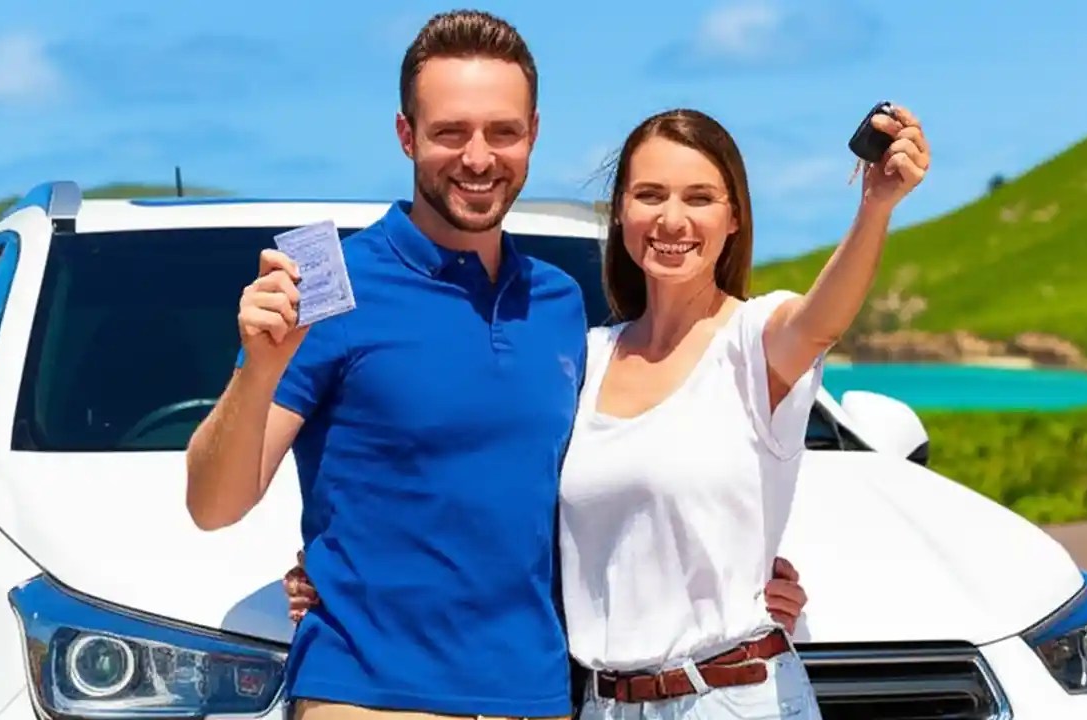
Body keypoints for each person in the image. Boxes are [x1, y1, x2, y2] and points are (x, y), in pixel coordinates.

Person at [185, 9, 810, 720]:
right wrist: (258, 369)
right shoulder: (326, 282)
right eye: (451, 132)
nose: (478, 158)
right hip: (371, 696)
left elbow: (621, 472)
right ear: (406, 135)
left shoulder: (559, 303)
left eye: (502, 132)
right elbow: (213, 505)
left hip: (539, 697)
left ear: (533, 134)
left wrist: (741, 580)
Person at [282, 104, 931, 720]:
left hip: (731, 697)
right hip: (599, 702)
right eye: (650, 195)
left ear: (734, 217)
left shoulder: (757, 340)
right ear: (620, 211)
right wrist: (351, 565)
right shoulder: (585, 356)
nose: (672, 220)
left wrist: (875, 207)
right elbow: (492, 486)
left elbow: (822, 321)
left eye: (699, 198)